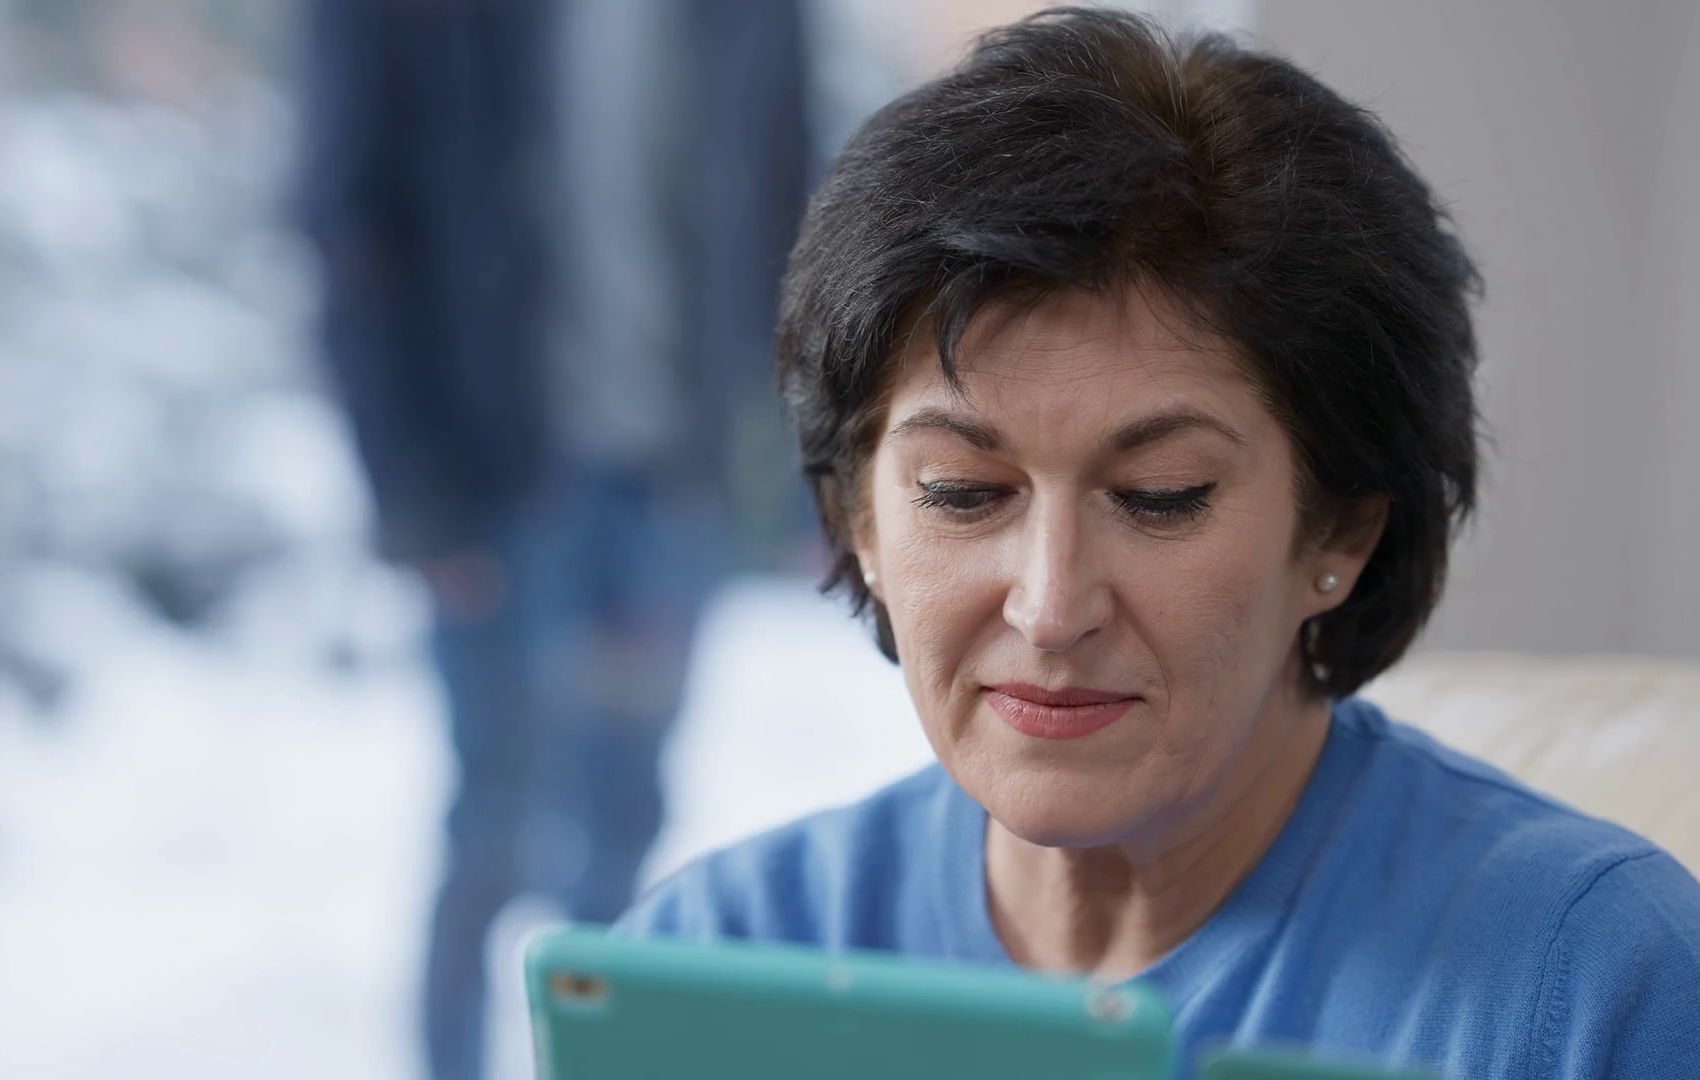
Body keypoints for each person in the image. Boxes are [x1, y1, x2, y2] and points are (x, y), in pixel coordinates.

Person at [617, 9, 1700, 1078]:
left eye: (1160, 497)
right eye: (962, 492)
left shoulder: (1592, 985)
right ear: (858, 520)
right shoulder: (717, 961)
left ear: (1340, 529)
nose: (1050, 606)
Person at [296, 1, 811, 1078]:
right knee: (493, 827)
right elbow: (347, 219)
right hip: (497, 497)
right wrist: (413, 493)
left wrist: (817, 463)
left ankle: (589, 1062)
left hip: (667, 492)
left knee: (624, 826)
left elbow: (796, 205)